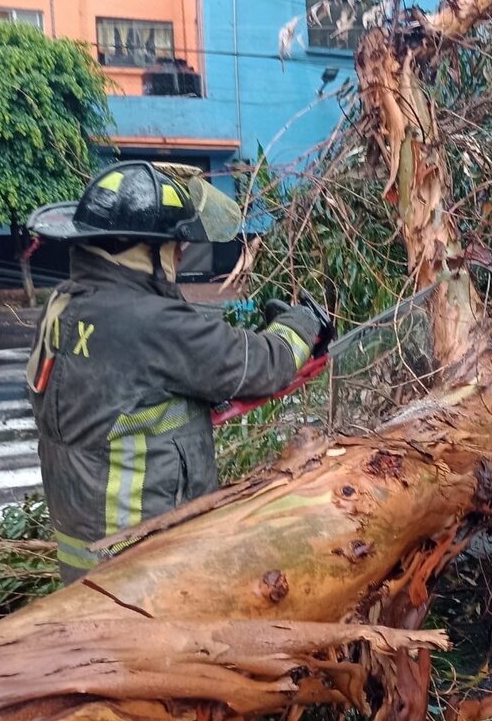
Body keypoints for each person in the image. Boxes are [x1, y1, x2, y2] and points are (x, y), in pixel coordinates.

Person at [25, 161, 324, 582]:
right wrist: (302, 324)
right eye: (173, 243)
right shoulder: (148, 321)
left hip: (84, 559)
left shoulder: (65, 302)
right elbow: (264, 365)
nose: (181, 253)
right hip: (144, 566)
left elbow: (122, 394)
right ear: (138, 248)